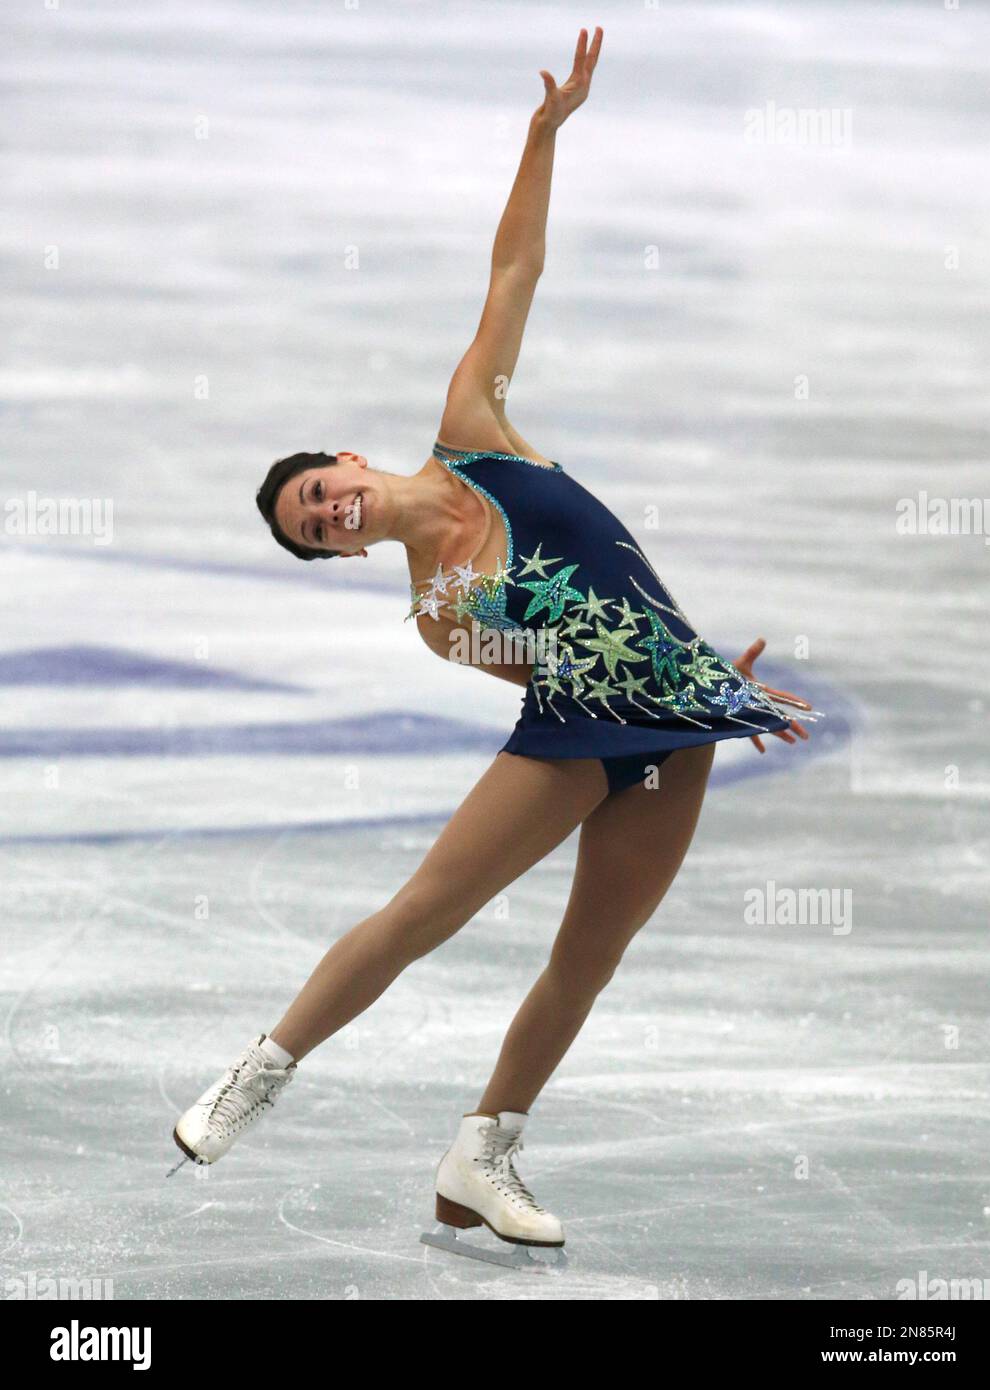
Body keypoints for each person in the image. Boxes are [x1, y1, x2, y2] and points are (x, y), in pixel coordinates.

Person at [172, 27, 813, 1258]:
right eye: (318, 531)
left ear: (347, 460)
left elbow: (512, 270)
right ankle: (258, 1073)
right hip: (579, 736)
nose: (332, 512)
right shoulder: (437, 611)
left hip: (677, 729)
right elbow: (561, 660)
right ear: (342, 554)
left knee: (591, 955)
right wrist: (657, 675)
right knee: (427, 912)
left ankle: (483, 1153)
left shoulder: (477, 428)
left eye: (321, 490)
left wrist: (540, 136)